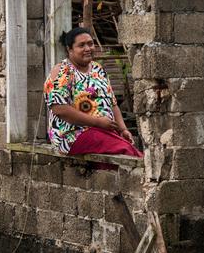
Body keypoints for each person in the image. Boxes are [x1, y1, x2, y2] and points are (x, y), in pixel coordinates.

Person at [45, 27, 141, 158]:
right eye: (81, 45)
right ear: (70, 49)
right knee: (126, 151)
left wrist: (123, 129)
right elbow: (59, 109)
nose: (88, 48)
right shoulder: (63, 71)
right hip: (72, 135)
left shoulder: (98, 69)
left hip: (101, 131)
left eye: (90, 44)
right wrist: (97, 122)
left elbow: (112, 103)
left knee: (128, 150)